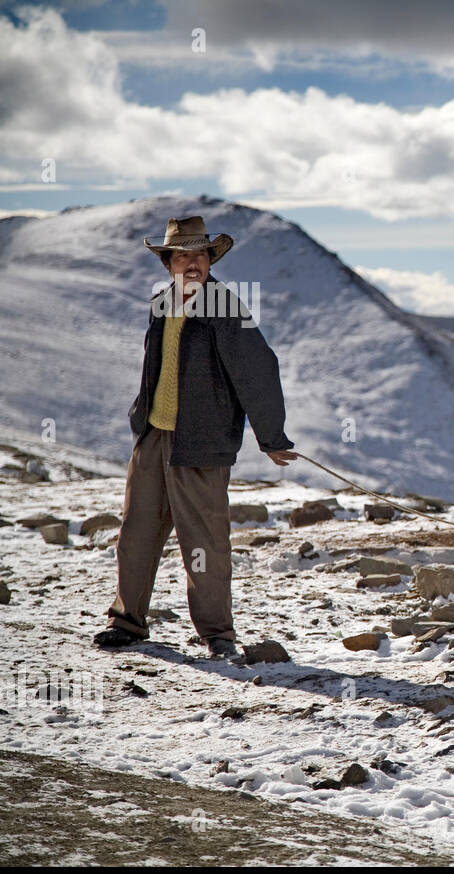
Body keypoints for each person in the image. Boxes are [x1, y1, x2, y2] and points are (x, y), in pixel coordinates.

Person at [93, 216, 297, 659]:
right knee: (136, 533)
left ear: (210, 260)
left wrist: (271, 435)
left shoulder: (224, 305)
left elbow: (257, 369)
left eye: (199, 255)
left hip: (202, 443)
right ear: (168, 264)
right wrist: (140, 419)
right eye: (182, 255)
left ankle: (217, 634)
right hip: (154, 437)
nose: (191, 264)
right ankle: (127, 621)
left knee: (204, 543)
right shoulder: (163, 302)